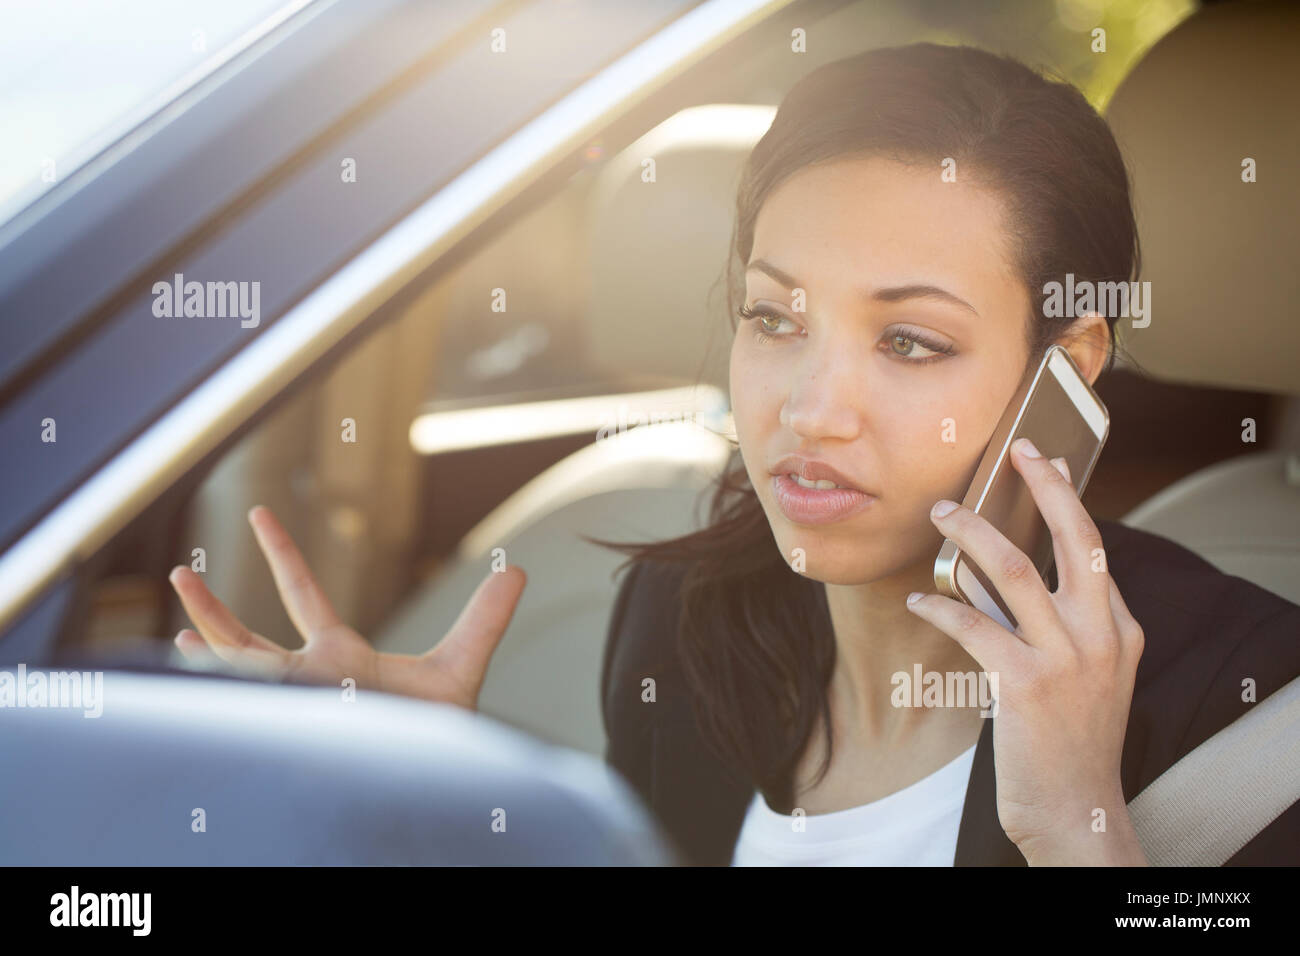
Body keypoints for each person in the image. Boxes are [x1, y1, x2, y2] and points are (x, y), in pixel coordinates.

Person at [168, 43, 1300, 867]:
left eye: (910, 341)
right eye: (774, 317)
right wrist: (428, 798)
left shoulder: (1255, 716)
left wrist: (1077, 832)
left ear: (1068, 366)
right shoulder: (683, 620)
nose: (811, 409)